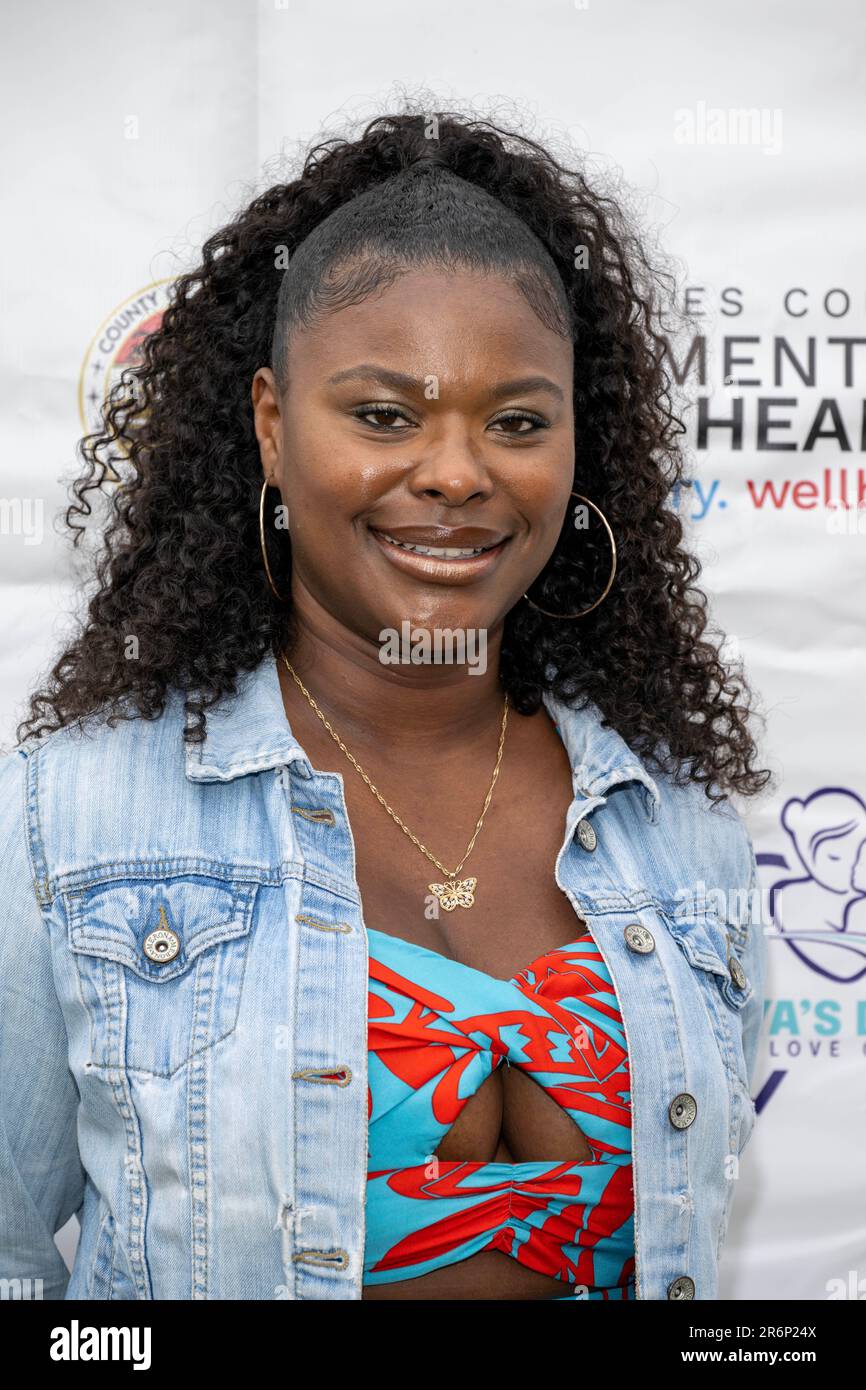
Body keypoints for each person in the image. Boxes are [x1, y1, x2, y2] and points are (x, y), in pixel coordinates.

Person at [0, 107, 771, 1301]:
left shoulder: (675, 823)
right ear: (269, 423)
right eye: (382, 415)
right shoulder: (73, 814)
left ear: (579, 445)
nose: (456, 472)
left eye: (515, 421)